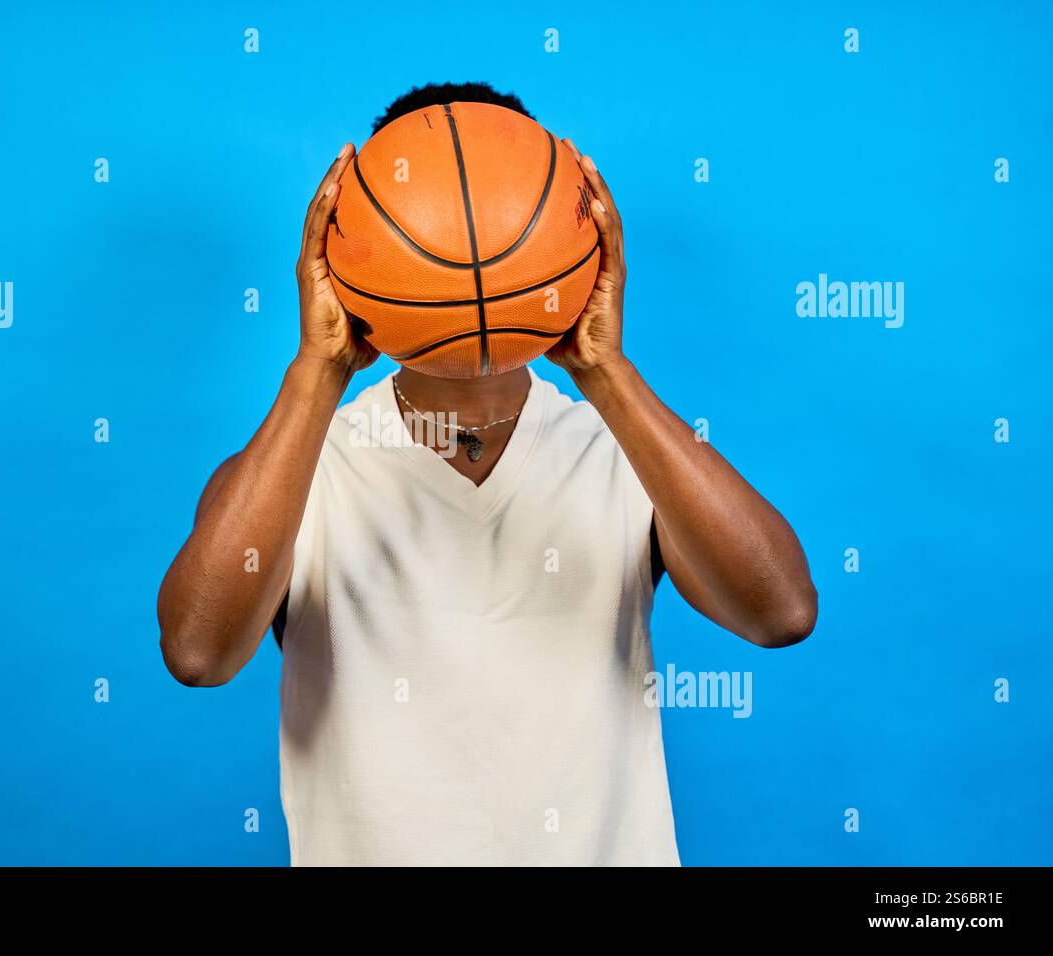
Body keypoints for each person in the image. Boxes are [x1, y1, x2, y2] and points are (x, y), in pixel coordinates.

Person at [157, 81, 818, 866]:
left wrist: (605, 371)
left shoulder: (626, 453)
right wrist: (318, 368)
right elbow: (199, 652)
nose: (470, 242)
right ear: (346, 249)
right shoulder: (299, 469)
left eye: (499, 210)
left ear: (569, 238)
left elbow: (781, 611)